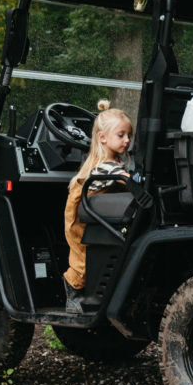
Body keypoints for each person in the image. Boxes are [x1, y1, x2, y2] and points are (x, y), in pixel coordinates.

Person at [62, 100, 134, 312]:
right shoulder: (104, 166)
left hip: (95, 210)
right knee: (83, 255)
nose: (127, 140)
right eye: (121, 135)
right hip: (80, 211)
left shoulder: (114, 162)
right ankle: (72, 291)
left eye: (129, 135)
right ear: (102, 137)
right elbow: (124, 179)